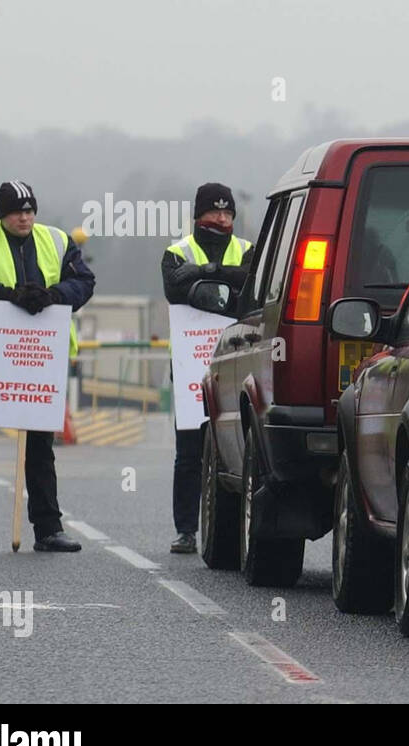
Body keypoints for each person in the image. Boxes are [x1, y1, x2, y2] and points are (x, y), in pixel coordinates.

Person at [0, 180, 95, 552]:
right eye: (16, 211)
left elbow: (84, 282)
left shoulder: (57, 240)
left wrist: (53, 295)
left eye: (29, 210)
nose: (24, 217)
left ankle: (48, 528)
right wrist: (8, 295)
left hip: (41, 355)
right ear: (2, 214)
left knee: (40, 444)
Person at [161, 183, 252, 554]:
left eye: (227, 213)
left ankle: (232, 527)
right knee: (189, 451)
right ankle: (185, 531)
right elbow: (175, 289)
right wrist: (223, 281)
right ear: (198, 216)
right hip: (189, 363)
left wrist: (205, 272)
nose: (221, 219)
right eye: (214, 213)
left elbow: (251, 284)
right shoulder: (175, 251)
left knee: (236, 443)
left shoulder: (249, 250)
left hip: (234, 361)